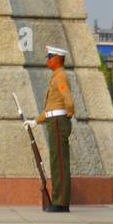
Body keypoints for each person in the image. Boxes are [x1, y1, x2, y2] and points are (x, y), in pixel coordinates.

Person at [33, 45, 75, 212]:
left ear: (57, 59)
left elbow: (68, 101)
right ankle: (58, 200)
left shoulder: (60, 77)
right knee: (56, 162)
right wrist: (35, 121)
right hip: (54, 120)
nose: (48, 60)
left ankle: (61, 202)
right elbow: (50, 107)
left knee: (60, 163)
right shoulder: (56, 77)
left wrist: (68, 115)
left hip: (58, 122)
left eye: (50, 57)